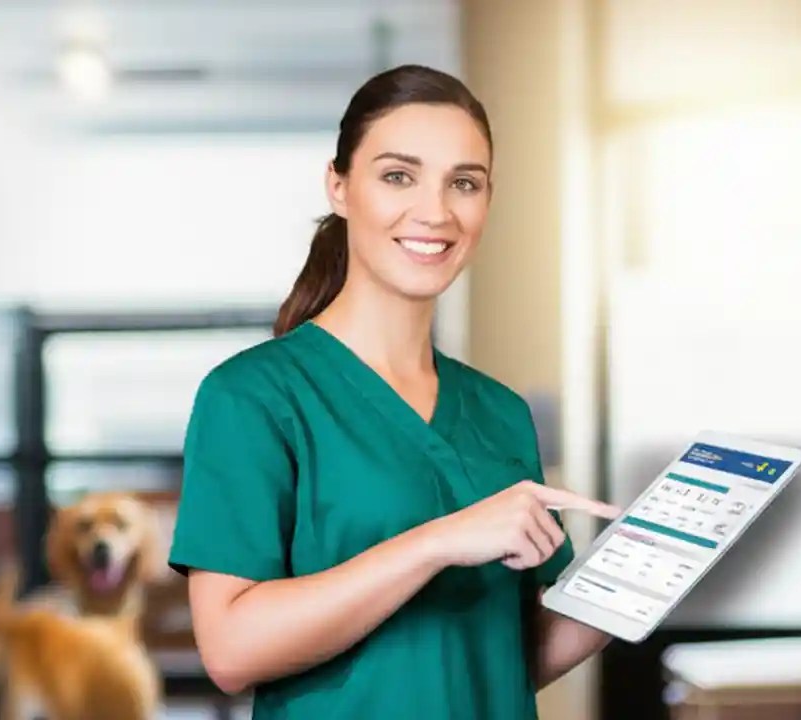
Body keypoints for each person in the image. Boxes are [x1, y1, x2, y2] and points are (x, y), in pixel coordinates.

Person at [168, 64, 618, 720]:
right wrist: (438, 541)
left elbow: (499, 659)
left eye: (464, 183)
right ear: (340, 186)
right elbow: (232, 650)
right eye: (398, 175)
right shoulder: (252, 398)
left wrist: (634, 586)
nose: (435, 212)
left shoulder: (500, 415)